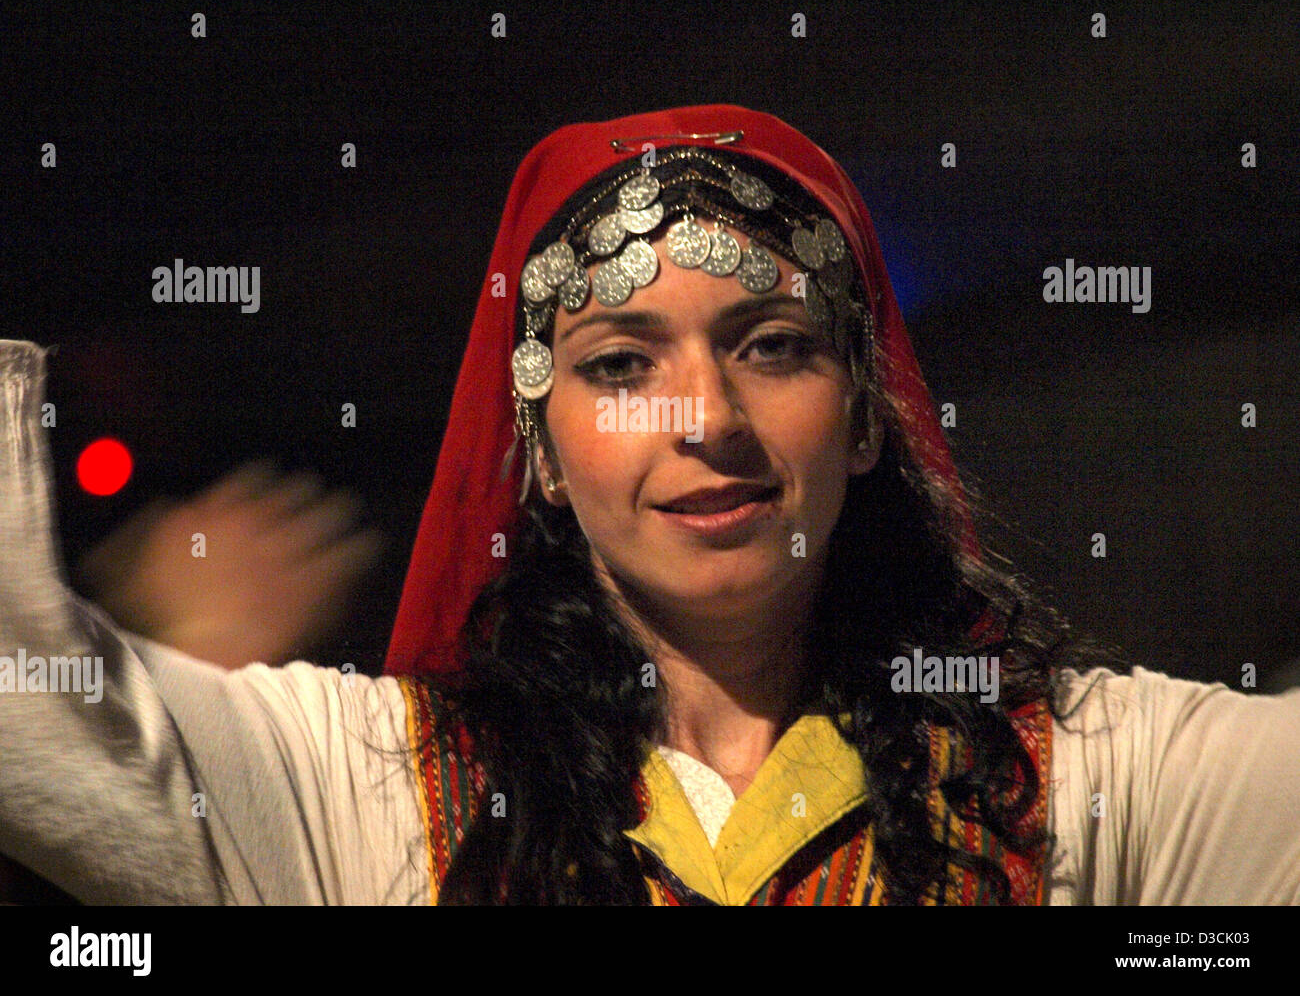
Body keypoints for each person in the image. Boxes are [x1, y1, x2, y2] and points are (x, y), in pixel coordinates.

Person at [1, 105, 1298, 906]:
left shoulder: (1090, 781)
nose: (707, 418)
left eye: (774, 345)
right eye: (622, 364)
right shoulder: (379, 789)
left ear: (860, 416)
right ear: (546, 453)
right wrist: (115, 618)